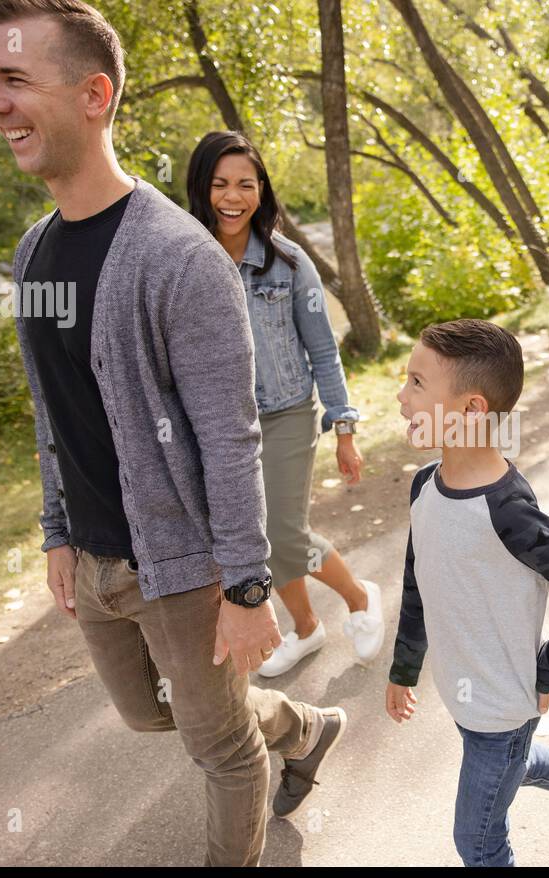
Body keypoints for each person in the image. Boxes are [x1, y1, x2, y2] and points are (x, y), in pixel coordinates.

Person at [0, 0, 346, 865]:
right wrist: (59, 532)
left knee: (217, 748)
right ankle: (304, 724)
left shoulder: (178, 258)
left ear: (94, 92)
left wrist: (249, 587)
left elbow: (231, 435)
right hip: (95, 558)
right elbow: (51, 407)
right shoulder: (34, 252)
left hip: (180, 561)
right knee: (151, 712)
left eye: (15, 80)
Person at [385, 319, 549, 866]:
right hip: (464, 692)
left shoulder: (508, 514)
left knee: (477, 841)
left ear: (471, 410)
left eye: (418, 384)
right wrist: (404, 668)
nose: (401, 397)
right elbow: (416, 577)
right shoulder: (426, 484)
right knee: (505, 766)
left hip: (504, 706)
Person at [185, 131, 383, 678]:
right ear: (201, 188)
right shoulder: (188, 265)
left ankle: (359, 597)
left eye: (245, 184)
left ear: (261, 191)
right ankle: (306, 629)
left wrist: (343, 427)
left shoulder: (288, 263)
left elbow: (323, 346)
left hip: (289, 412)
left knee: (284, 534)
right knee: (258, 535)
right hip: (223, 426)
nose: (233, 196)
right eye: (220, 183)